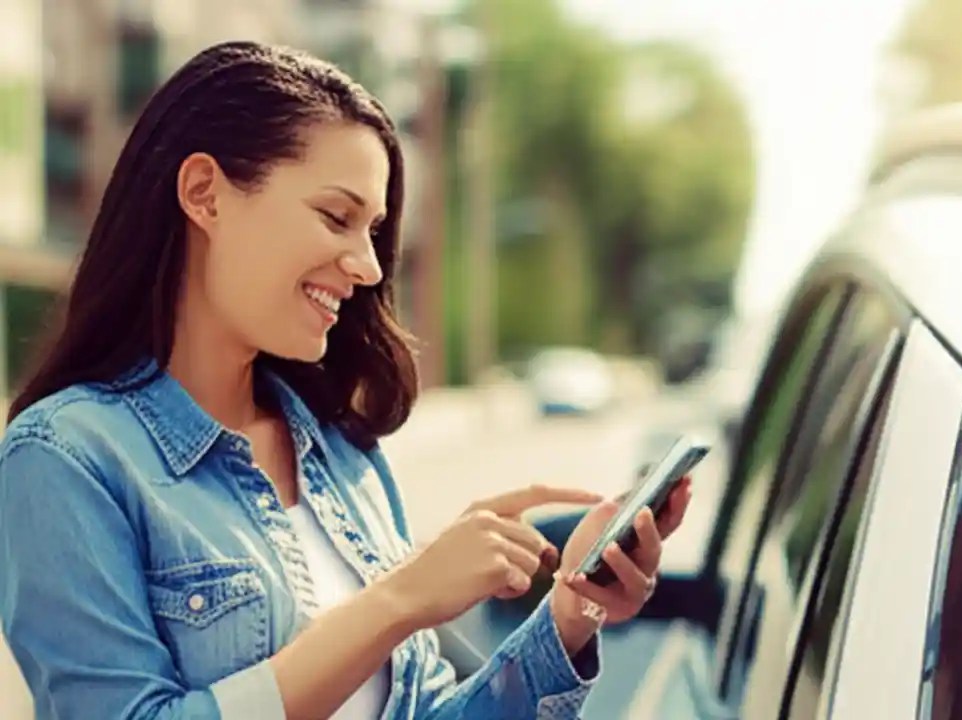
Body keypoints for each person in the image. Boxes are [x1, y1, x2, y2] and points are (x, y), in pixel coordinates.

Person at [0, 40, 692, 720]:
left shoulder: (340, 456)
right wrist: (397, 602)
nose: (365, 266)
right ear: (204, 193)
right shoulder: (67, 458)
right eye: (337, 217)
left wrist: (573, 615)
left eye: (374, 230)